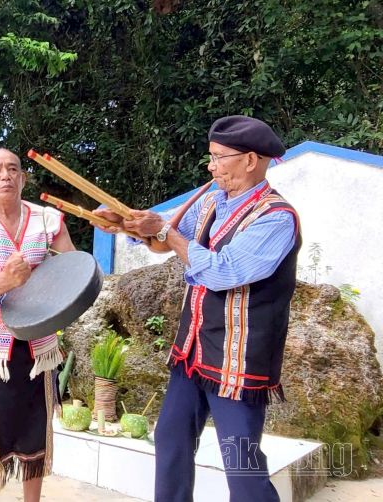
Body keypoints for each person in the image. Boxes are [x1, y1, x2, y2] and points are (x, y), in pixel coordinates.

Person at [95, 116, 300, 502]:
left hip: (238, 362)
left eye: (219, 157)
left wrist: (167, 233)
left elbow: (224, 271)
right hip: (195, 350)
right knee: (170, 439)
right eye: (211, 157)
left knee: (241, 466)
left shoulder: (276, 218)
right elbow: (163, 240)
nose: (211, 166)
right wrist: (126, 223)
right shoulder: (211, 200)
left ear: (251, 159)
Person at [0, 148, 75, 502]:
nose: (5, 175)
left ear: (23, 178)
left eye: (13, 169)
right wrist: (7, 280)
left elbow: (72, 271)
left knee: (37, 426)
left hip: (39, 344)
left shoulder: (48, 220)